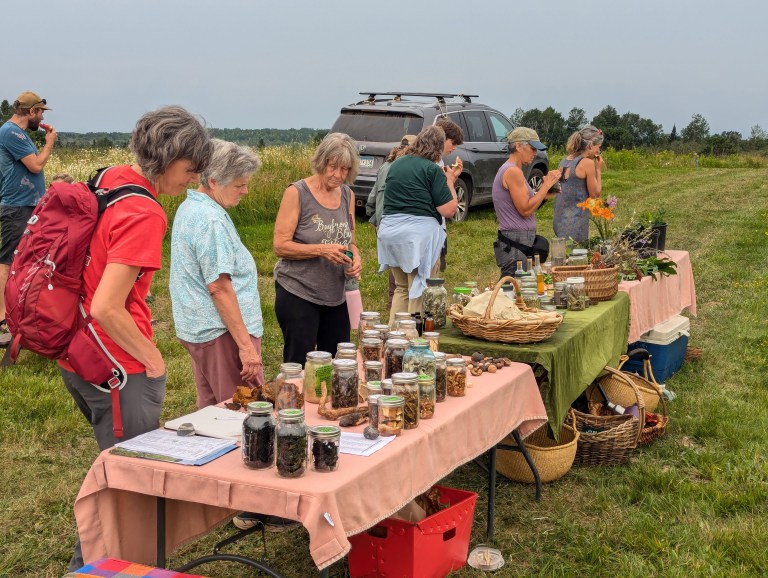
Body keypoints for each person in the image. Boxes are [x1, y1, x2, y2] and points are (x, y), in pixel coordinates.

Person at [60, 106, 212, 571]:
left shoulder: (110, 178)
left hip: (77, 355)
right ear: (168, 159)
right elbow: (109, 306)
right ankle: (98, 567)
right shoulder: (144, 211)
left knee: (117, 474)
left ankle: (97, 562)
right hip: (119, 368)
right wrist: (153, 360)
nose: (194, 178)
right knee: (131, 488)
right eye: (190, 168)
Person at [170, 139, 265, 407]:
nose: (245, 191)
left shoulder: (192, 207)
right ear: (213, 181)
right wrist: (245, 347)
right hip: (223, 335)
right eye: (239, 184)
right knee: (243, 413)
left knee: (212, 412)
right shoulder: (210, 220)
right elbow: (219, 287)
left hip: (203, 331)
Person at [273, 132, 362, 365]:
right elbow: (280, 246)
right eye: (333, 167)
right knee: (300, 364)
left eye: (345, 170)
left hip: (335, 294)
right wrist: (321, 250)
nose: (338, 175)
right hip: (299, 292)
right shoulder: (297, 192)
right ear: (322, 162)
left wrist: (356, 258)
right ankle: (294, 402)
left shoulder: (347, 195)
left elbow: (349, 240)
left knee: (337, 363)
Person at [376, 125, 458, 322]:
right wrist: (450, 182)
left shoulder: (397, 164)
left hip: (390, 233)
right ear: (438, 148)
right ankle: (411, 337)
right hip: (417, 237)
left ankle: (394, 336)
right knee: (418, 287)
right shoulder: (432, 170)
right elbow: (448, 210)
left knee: (401, 288)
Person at [0, 91, 57, 346]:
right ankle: (2, 318)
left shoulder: (18, 134)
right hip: (17, 206)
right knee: (8, 259)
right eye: (41, 112)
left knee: (25, 259)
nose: (42, 117)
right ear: (31, 112)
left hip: (28, 204)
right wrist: (49, 143)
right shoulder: (11, 132)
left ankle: (23, 310)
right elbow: (35, 165)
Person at [492, 127, 561, 277]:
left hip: (519, 241)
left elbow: (525, 205)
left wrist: (544, 195)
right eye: (532, 148)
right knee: (513, 291)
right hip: (515, 243)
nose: (535, 153)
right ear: (518, 146)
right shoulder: (512, 172)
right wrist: (546, 185)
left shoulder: (514, 170)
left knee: (519, 290)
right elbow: (525, 210)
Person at [553, 125, 605, 244]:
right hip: (575, 222)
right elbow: (595, 194)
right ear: (591, 145)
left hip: (560, 220)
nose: (598, 151)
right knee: (577, 258)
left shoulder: (564, 161)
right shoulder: (587, 163)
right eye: (598, 147)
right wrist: (598, 170)